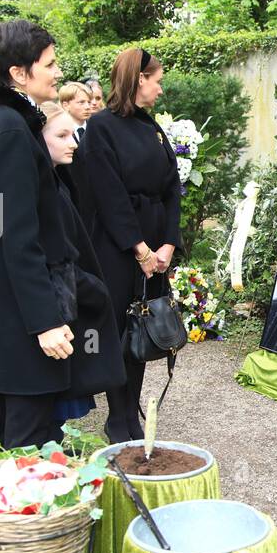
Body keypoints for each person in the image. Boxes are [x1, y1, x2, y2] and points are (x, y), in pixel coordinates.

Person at [0, 19, 77, 455]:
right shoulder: (8, 129)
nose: (57, 72)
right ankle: (11, 523)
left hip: (0, 303)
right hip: (19, 313)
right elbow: (17, 236)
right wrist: (44, 320)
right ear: (19, 74)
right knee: (25, 445)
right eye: (50, 64)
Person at [75, 47, 182, 443]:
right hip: (117, 249)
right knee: (121, 330)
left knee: (143, 328)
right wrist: (139, 249)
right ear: (139, 79)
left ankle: (130, 413)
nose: (160, 87)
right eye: (157, 79)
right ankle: (118, 418)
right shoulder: (102, 127)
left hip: (155, 248)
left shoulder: (151, 127)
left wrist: (168, 244)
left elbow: (172, 188)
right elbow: (108, 194)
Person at [39, 100, 125, 424]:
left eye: (72, 134)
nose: (73, 143)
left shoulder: (60, 180)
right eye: (62, 135)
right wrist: (94, 288)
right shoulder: (42, 190)